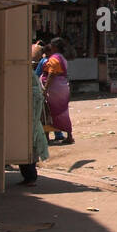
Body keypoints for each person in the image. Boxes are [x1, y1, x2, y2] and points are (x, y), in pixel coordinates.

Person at [20, 44, 49, 186]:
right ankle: (29, 177)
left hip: (29, 120)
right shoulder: (33, 80)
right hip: (29, 120)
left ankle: (30, 177)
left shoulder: (30, 82)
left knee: (28, 147)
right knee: (29, 147)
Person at [41, 37, 74, 145]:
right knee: (63, 112)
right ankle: (69, 135)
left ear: (54, 46)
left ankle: (47, 138)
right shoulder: (62, 58)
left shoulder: (54, 58)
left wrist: (45, 89)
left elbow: (51, 74)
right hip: (62, 87)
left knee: (48, 112)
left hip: (55, 89)